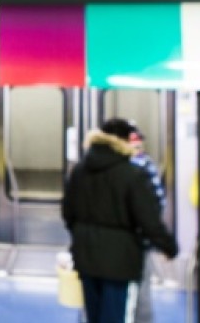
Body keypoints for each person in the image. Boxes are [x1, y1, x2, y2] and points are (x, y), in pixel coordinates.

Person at [63, 119, 178, 323]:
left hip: (85, 253)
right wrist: (168, 247)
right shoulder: (132, 174)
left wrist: (82, 236)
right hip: (119, 258)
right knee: (113, 315)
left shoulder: (80, 170)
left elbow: (68, 212)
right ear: (123, 142)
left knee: (93, 314)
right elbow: (148, 218)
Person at [127, 124, 166, 323]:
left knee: (140, 289)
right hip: (136, 240)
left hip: (133, 240)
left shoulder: (144, 166)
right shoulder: (145, 167)